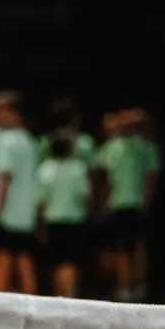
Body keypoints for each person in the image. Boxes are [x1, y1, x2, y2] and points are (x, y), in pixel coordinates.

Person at [95, 106, 161, 301]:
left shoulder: (144, 146)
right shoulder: (112, 147)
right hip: (117, 204)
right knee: (121, 249)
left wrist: (147, 200)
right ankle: (125, 286)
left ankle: (134, 287)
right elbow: (102, 175)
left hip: (133, 204)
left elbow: (152, 177)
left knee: (134, 247)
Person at [0, 90, 39, 295]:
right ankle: (33, 308)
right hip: (26, 215)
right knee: (24, 262)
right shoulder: (30, 140)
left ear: (14, 113)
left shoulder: (6, 140)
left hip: (7, 214)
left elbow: (5, 178)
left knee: (1, 261)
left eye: (0, 110)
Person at [37, 126, 93, 298]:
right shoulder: (78, 169)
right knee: (69, 263)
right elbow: (85, 197)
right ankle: (68, 299)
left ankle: (58, 298)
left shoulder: (44, 169)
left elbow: (40, 202)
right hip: (74, 222)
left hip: (52, 222)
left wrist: (40, 227)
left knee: (56, 263)